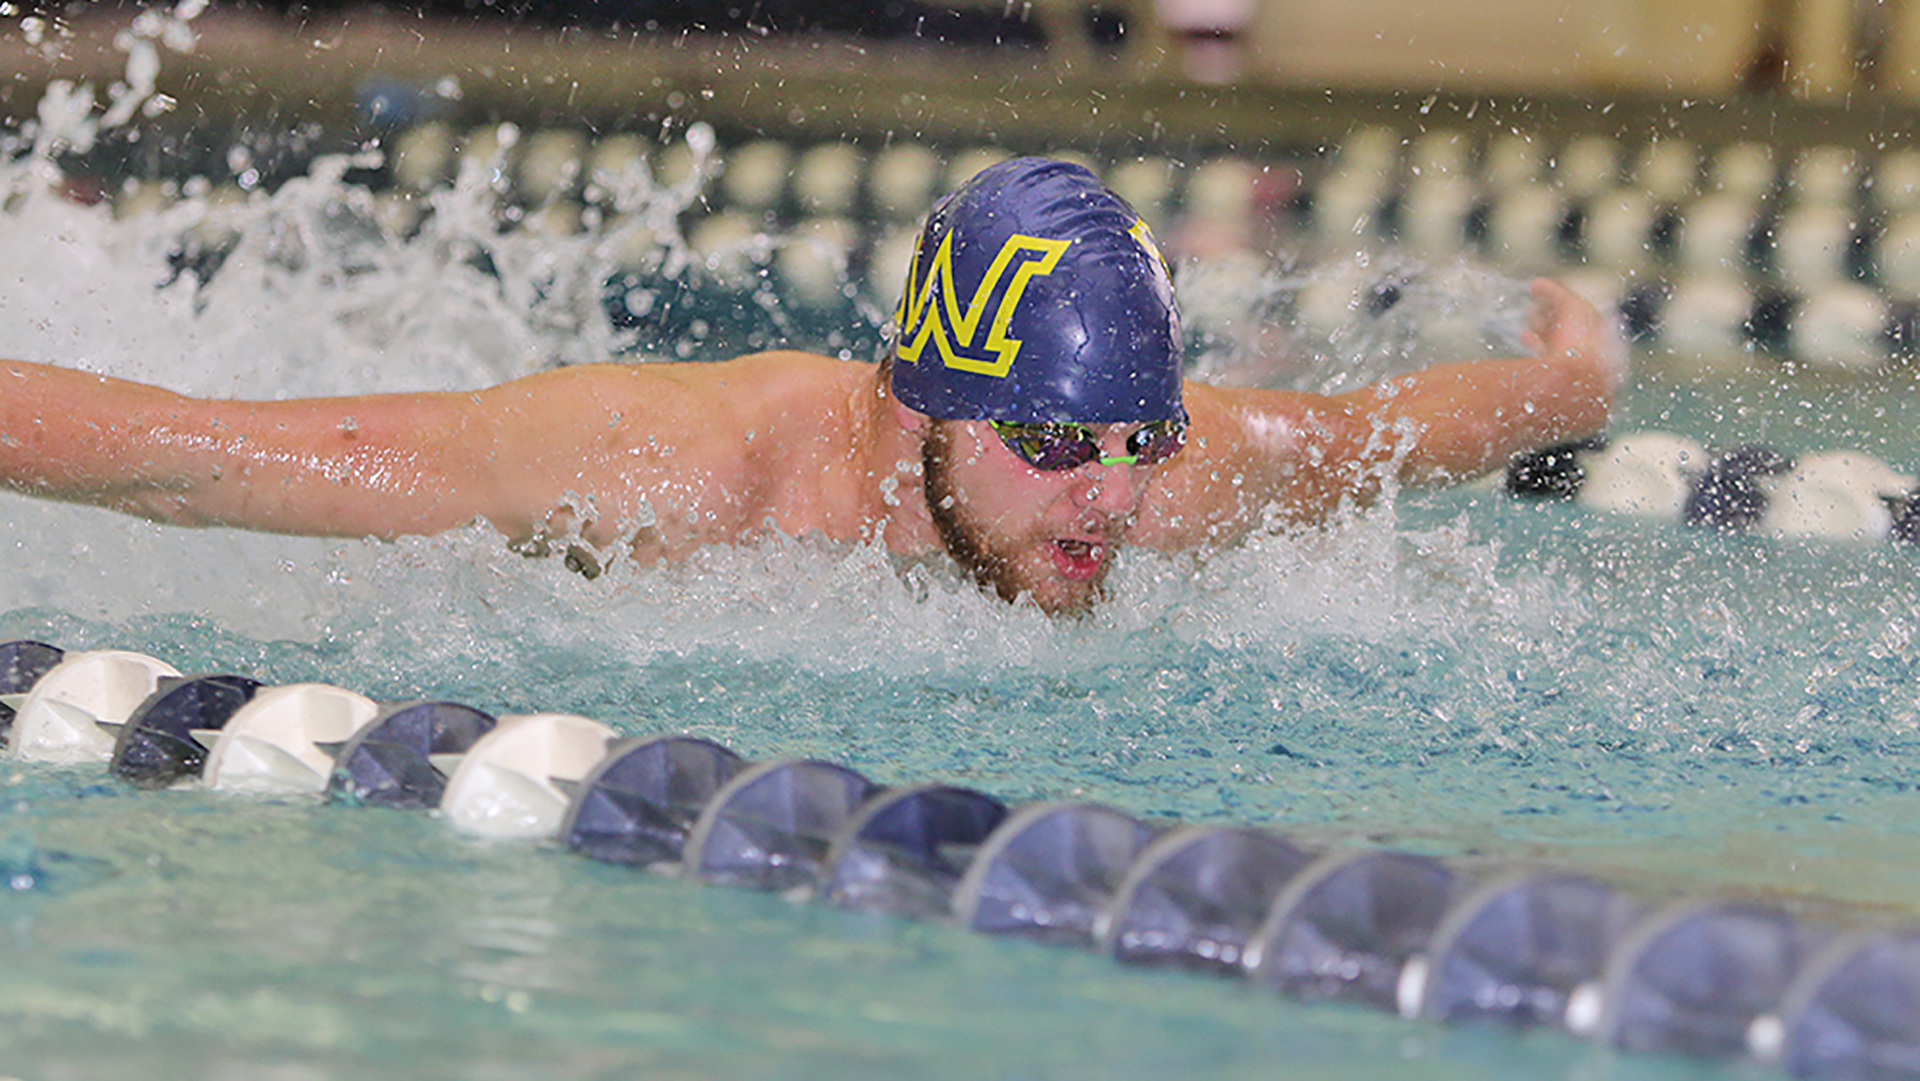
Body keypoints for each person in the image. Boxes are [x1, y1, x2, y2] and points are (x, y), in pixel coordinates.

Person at [0, 157, 1624, 615]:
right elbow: (192, 457)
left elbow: (1393, 431)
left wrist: (1574, 382)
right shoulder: (685, 468)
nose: (1114, 496)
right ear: (921, 400)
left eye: (1144, 436)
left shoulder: (1174, 484)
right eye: (1060, 440)